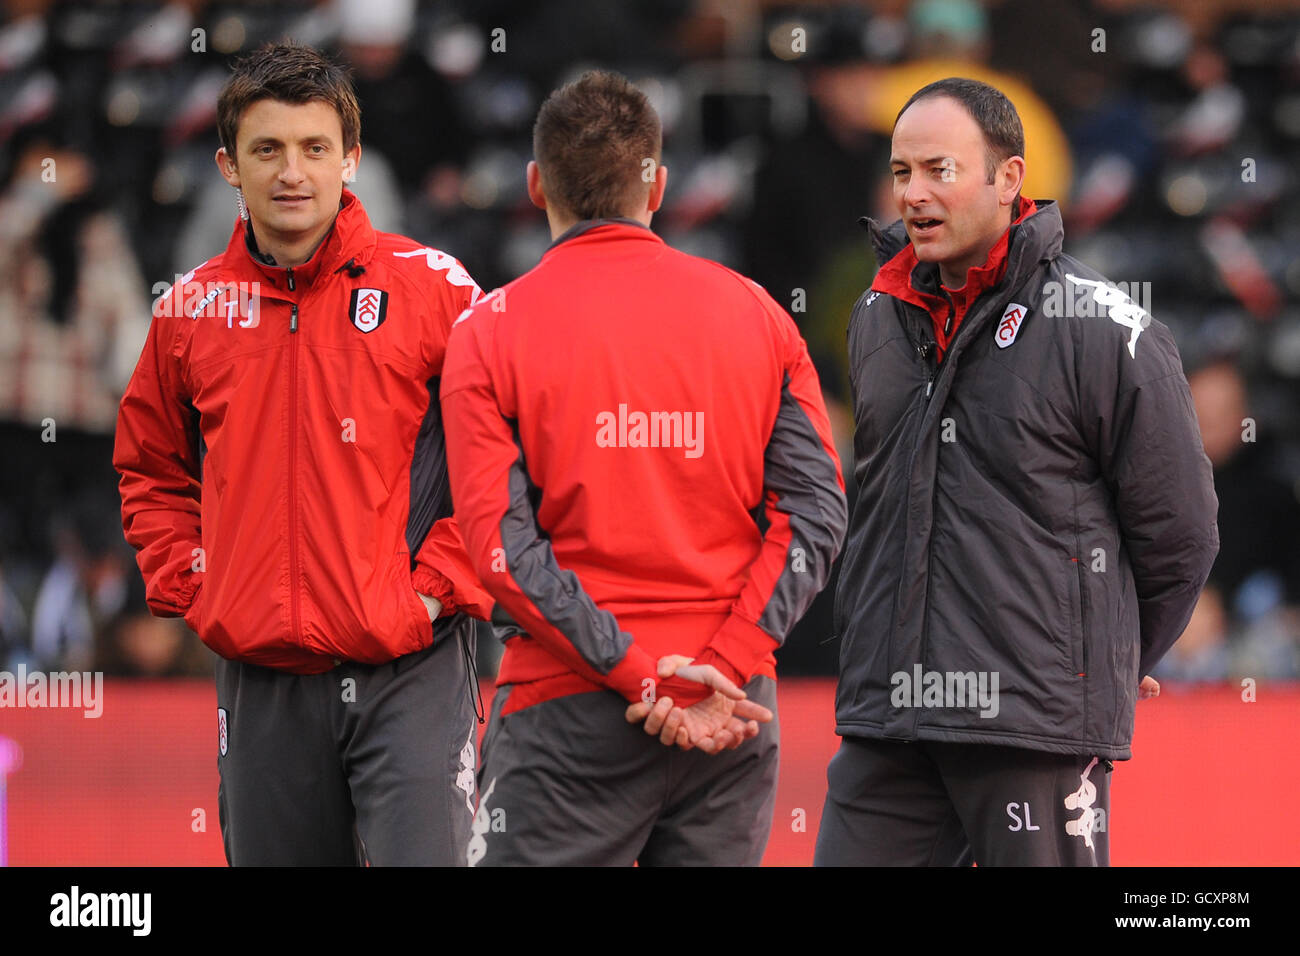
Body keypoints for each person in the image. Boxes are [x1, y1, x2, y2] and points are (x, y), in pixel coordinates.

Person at [440, 70, 847, 867]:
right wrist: (722, 665)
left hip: (567, 710)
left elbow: (499, 552)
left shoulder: (486, 332)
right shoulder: (759, 314)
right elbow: (820, 514)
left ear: (534, 185)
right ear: (658, 184)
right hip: (731, 712)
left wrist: (640, 676)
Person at [816, 77, 1219, 866]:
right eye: (902, 174)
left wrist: (1106, 661)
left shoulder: (1105, 327)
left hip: (1032, 726)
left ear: (1010, 180)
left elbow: (1183, 533)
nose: (915, 195)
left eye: (940, 170)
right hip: (885, 720)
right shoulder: (873, 319)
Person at [113, 42, 493, 866]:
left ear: (350, 160)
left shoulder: (438, 291)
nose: (294, 172)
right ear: (227, 165)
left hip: (410, 667)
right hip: (263, 682)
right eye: (268, 149)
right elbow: (149, 466)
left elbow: (506, 458)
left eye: (316, 148)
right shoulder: (189, 311)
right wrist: (200, 583)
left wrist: (431, 594)